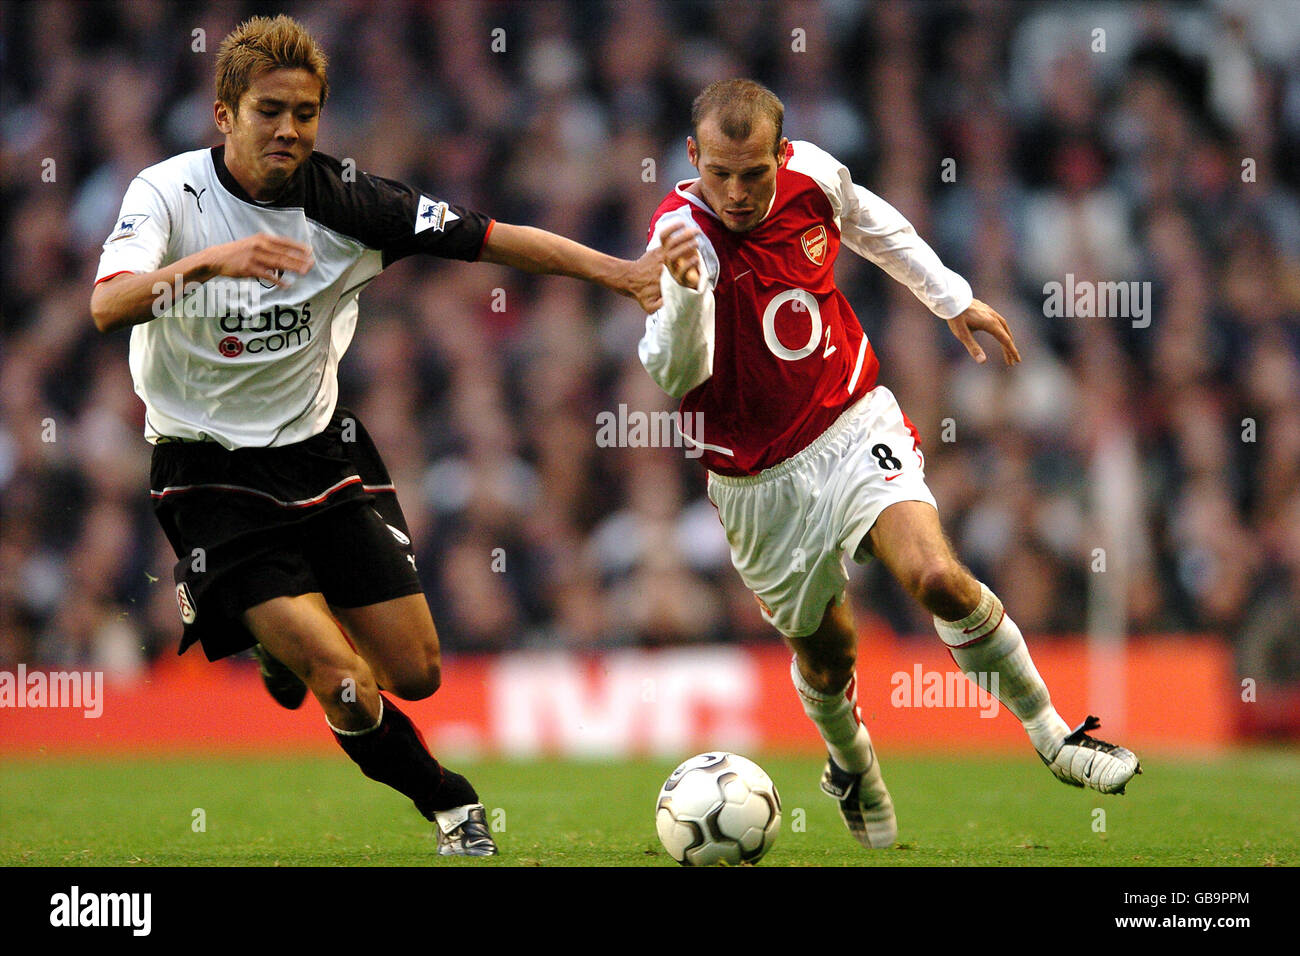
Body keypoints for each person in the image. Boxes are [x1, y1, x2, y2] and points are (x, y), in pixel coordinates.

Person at [90, 14, 661, 858]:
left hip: (320, 457)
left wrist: (620, 274)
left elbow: (494, 239)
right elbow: (107, 305)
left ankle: (275, 645)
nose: (289, 129)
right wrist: (212, 263)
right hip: (208, 480)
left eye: (307, 113)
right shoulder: (166, 194)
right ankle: (452, 806)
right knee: (346, 682)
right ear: (223, 115)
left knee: (417, 672)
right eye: (269, 111)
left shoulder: (350, 203)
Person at [638, 78, 1140, 849]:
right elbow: (674, 375)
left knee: (937, 577)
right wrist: (678, 298)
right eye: (720, 174)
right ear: (692, 157)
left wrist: (951, 298)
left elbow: (871, 222)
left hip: (850, 420)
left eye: (754, 173)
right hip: (755, 483)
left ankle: (1054, 733)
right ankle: (853, 761)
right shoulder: (678, 236)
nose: (737, 193)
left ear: (781, 153)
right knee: (827, 651)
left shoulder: (815, 176)